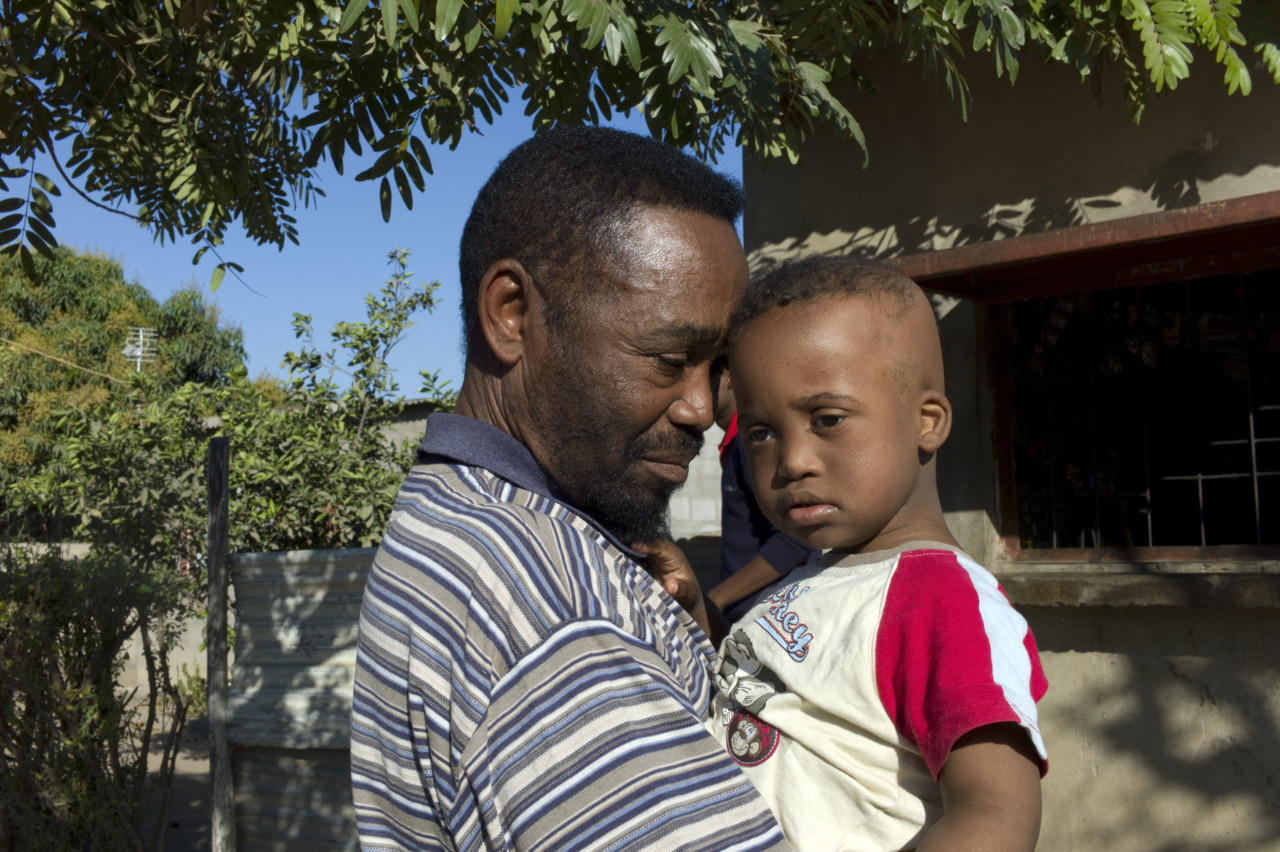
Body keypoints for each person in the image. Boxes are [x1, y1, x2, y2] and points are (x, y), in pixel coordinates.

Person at [349, 127, 791, 851]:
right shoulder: (549, 608)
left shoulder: (452, 514)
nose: (704, 410)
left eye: (716, 367)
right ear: (512, 313)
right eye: (670, 358)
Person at [707, 255, 1048, 851]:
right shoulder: (824, 572)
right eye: (761, 432)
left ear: (927, 421)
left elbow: (994, 819)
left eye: (827, 419)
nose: (792, 461)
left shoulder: (940, 602)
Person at [707, 361, 818, 618]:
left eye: (703, 379)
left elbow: (795, 538)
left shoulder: (754, 446)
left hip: (770, 622)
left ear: (727, 375)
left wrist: (715, 598)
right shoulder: (739, 444)